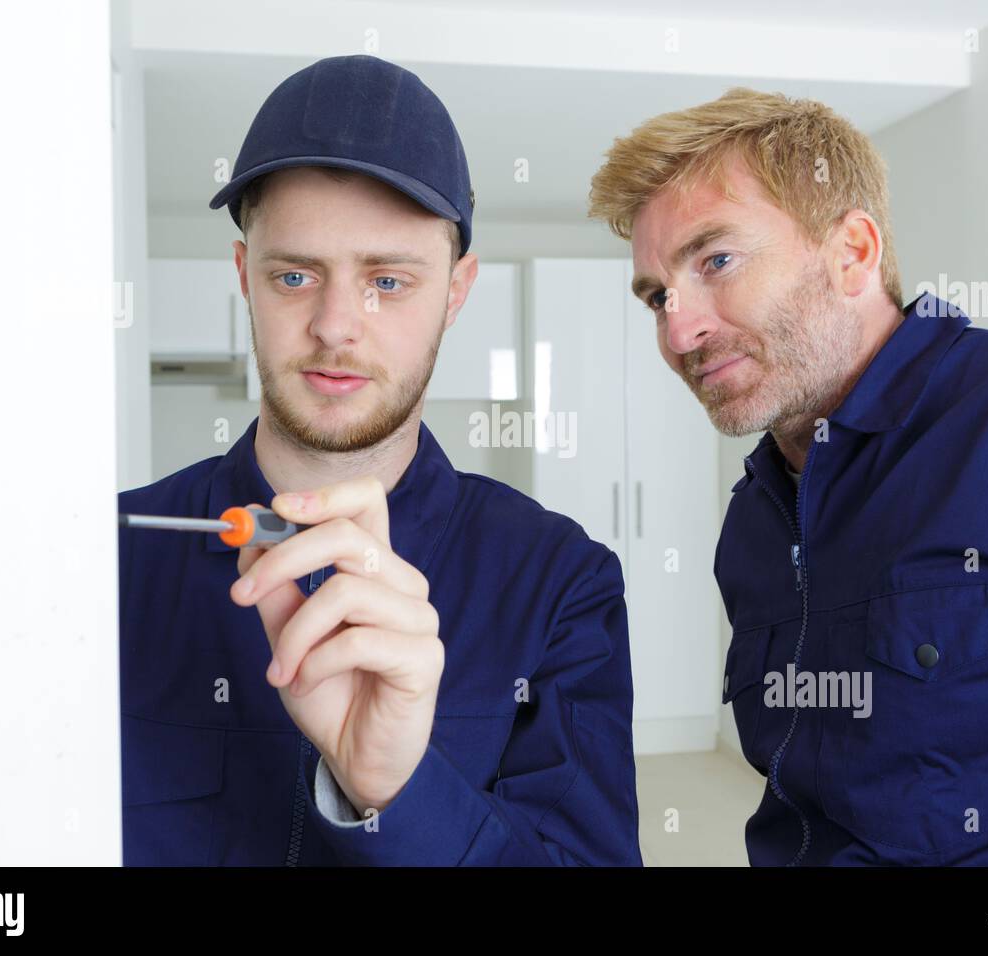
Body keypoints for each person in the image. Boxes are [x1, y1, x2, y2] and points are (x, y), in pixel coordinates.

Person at [588, 87, 988, 864]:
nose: (679, 327)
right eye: (658, 295)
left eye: (717, 260)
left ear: (853, 254)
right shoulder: (756, 521)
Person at [118, 55, 640, 866]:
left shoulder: (561, 584)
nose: (336, 325)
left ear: (457, 292)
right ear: (245, 280)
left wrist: (401, 791)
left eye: (388, 282)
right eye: (294, 274)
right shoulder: (117, 553)